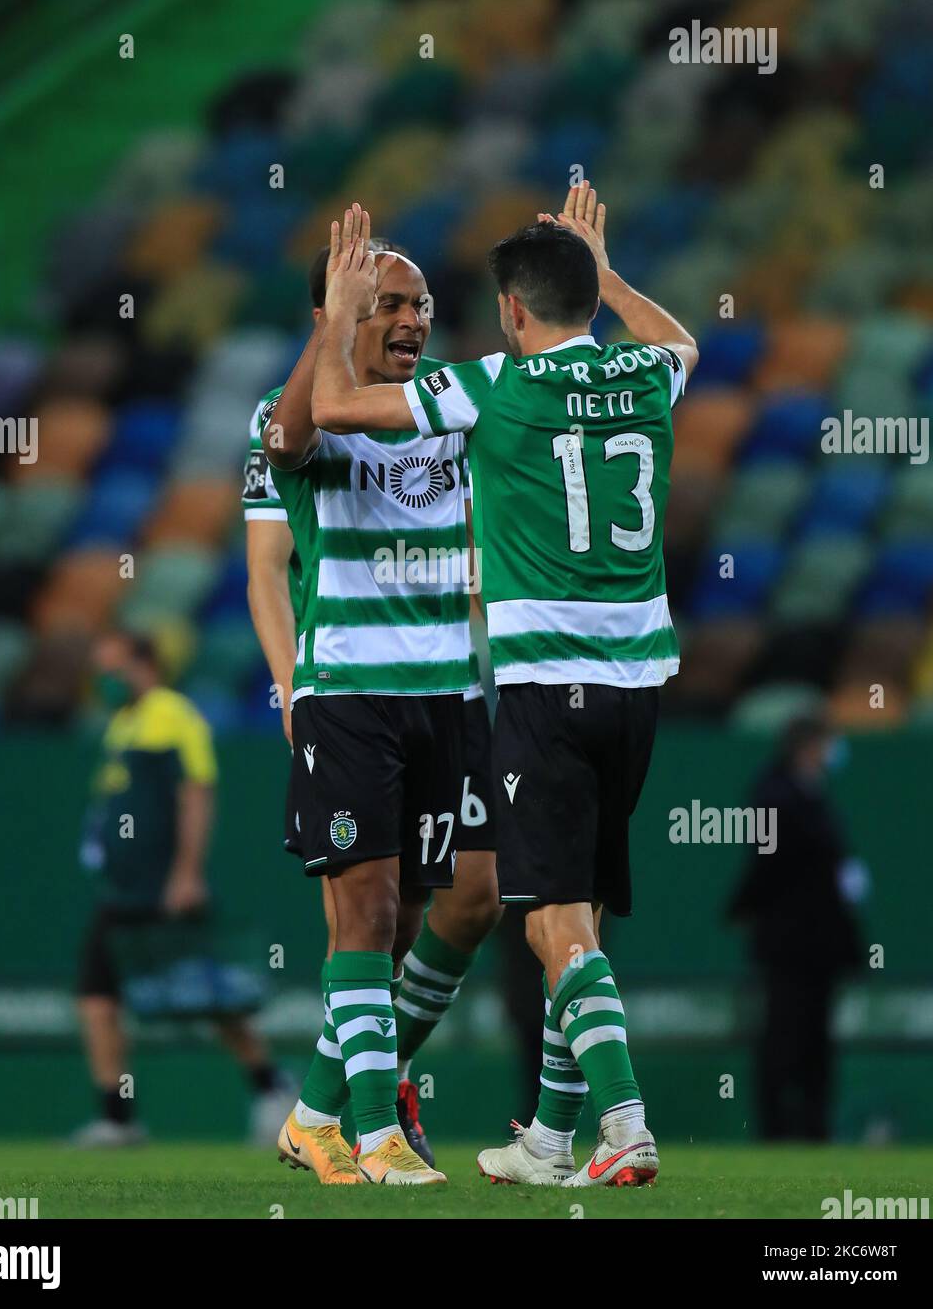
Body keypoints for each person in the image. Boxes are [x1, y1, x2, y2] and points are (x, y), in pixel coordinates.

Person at [311, 182, 698, 1188]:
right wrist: (606, 276)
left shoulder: (493, 385)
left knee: (551, 921)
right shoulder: (646, 376)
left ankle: (625, 1122)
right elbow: (686, 343)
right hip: (639, 688)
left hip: (542, 689)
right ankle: (550, 1138)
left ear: (515, 312)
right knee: (580, 909)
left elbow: (333, 407)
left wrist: (344, 311)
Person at [260, 206, 501, 1186]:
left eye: (422, 304)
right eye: (388, 303)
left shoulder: (449, 408)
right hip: (349, 689)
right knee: (362, 913)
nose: (410, 319)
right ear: (346, 310)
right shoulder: (309, 413)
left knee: (417, 917)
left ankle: (315, 1113)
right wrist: (332, 321)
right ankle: (375, 1132)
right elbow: (284, 444)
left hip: (445, 694)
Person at [71, 629, 294, 1148]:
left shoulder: (172, 713)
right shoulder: (123, 722)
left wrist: (187, 874)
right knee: (97, 997)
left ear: (143, 663)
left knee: (212, 999)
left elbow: (196, 792)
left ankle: (272, 1089)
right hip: (120, 891)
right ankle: (118, 1116)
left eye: (112, 666)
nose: (103, 678)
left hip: (163, 887)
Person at [727, 713, 863, 1141]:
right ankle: (778, 1130)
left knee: (814, 1038)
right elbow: (769, 864)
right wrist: (743, 906)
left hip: (818, 942)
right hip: (791, 941)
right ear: (808, 745)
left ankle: (812, 1127)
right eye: (827, 741)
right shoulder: (777, 794)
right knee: (785, 1035)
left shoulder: (809, 792)